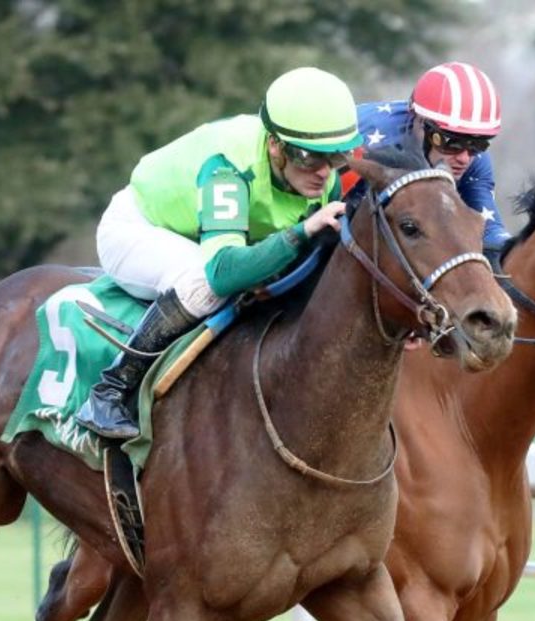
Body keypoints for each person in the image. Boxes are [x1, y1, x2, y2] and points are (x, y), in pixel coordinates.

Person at [76, 67, 363, 440]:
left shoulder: (321, 177)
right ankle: (109, 391)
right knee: (203, 283)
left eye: (336, 157)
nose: (324, 174)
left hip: (208, 235)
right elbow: (223, 272)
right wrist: (302, 231)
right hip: (139, 227)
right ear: (275, 146)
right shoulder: (228, 167)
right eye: (309, 157)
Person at [355, 61, 511, 255]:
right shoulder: (372, 144)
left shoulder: (475, 159)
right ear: (420, 124)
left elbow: (493, 236)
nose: (464, 158)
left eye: (478, 144)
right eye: (452, 142)